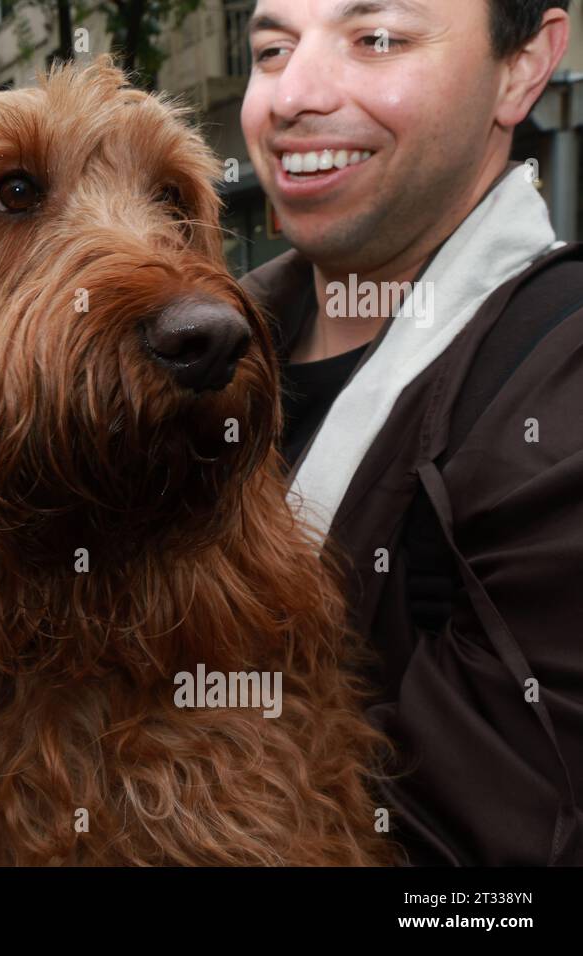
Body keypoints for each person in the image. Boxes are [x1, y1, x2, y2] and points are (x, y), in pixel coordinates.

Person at [241, 0, 582, 863]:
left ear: (524, 65)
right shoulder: (185, 353)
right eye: (273, 48)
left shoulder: (559, 390)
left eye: (377, 39)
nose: (295, 95)